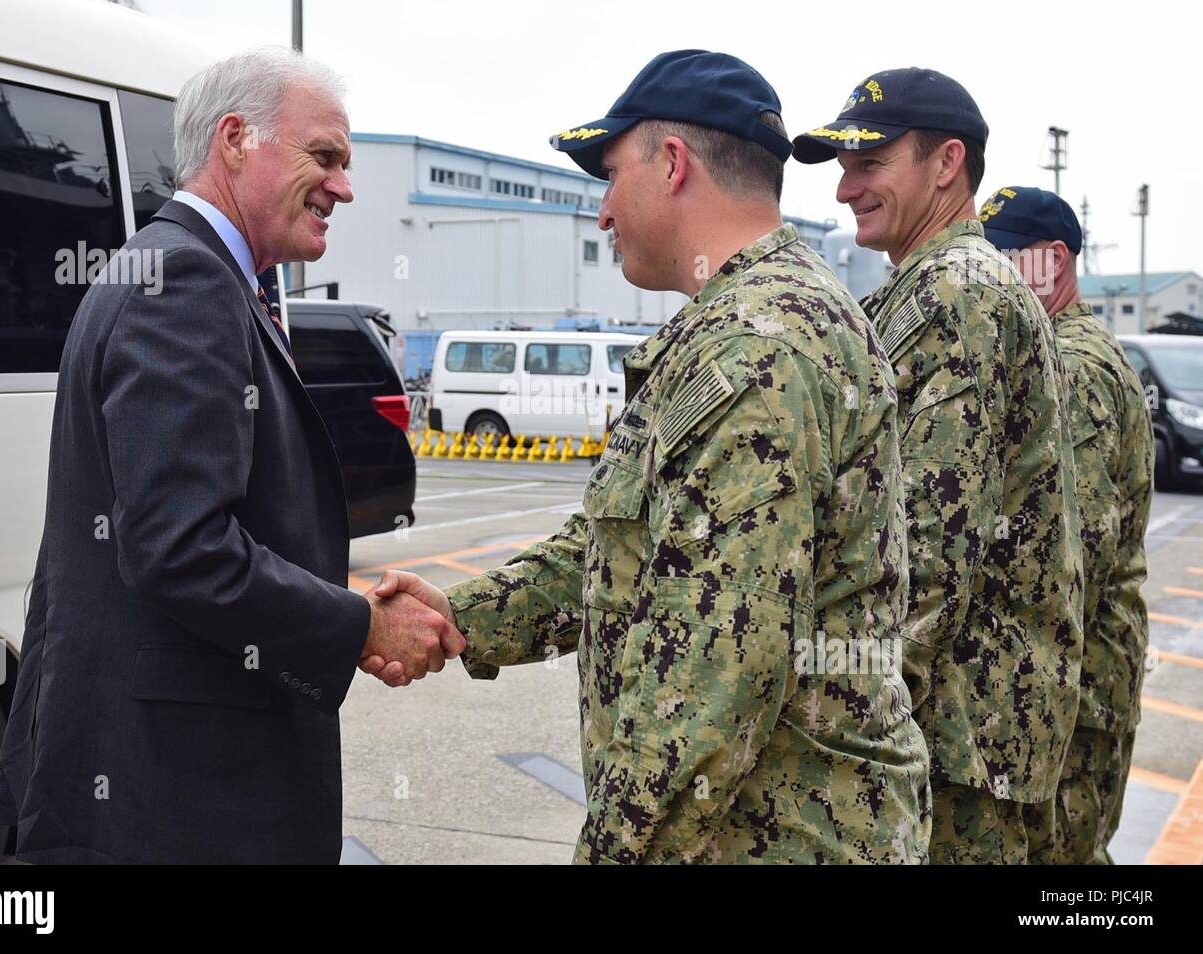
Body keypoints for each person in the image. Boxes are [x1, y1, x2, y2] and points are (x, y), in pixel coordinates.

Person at [367, 50, 931, 864]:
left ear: (671, 165)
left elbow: (714, 679)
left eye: (610, 175)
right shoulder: (745, 324)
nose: (602, 212)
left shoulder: (757, 349)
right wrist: (459, 618)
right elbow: (624, 551)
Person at [0, 47, 464, 864]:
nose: (344, 187)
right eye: (325, 157)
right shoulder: (187, 282)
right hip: (176, 792)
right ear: (237, 139)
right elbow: (183, 548)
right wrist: (358, 625)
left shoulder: (174, 269)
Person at [793, 69, 1083, 864]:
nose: (847, 189)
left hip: (960, 737)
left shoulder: (956, 294)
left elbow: (923, 550)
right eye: (843, 168)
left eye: (870, 164)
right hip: (968, 725)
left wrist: (833, 723)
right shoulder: (937, 286)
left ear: (947, 162)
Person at [981, 186, 1153, 863]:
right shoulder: (1055, 349)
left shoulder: (1072, 369)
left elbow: (1065, 556)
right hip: (1073, 681)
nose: (989, 281)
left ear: (1054, 260)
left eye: (1003, 262)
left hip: (1077, 692)